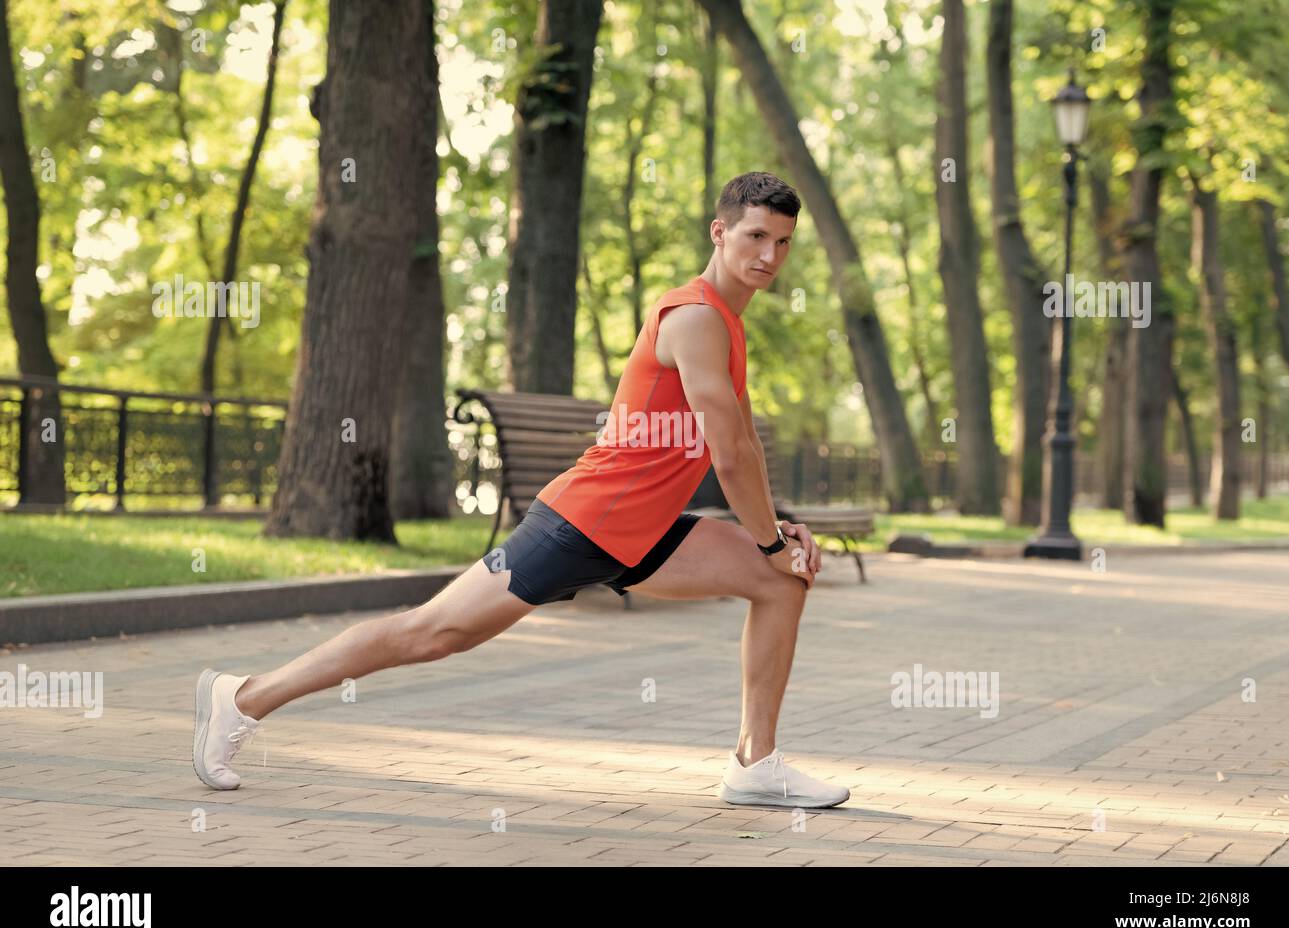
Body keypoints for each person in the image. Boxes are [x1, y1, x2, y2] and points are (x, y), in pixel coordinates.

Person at [194, 171, 850, 809]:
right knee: (433, 633)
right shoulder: (696, 318)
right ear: (720, 232)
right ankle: (245, 698)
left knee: (782, 581)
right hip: (586, 522)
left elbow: (747, 445)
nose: (770, 255)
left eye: (783, 242)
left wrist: (779, 533)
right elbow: (727, 454)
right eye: (756, 237)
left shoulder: (729, 325)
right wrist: (766, 539)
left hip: (644, 533)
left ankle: (754, 765)